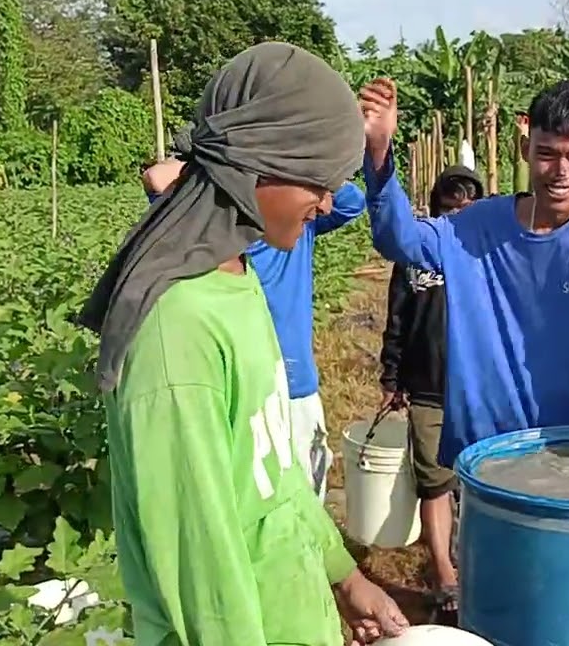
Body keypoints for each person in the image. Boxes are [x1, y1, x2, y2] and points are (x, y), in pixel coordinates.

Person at [77, 43, 407, 646]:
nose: (328, 203)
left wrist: (342, 575)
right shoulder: (177, 330)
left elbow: (275, 473)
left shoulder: (238, 277)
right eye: (318, 181)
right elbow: (200, 561)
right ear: (257, 167)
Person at [357, 78, 569, 480]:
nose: (561, 172)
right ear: (524, 150)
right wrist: (379, 154)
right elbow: (399, 239)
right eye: (547, 154)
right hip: (488, 463)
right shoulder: (473, 229)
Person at [142, 138, 367, 499]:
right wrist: (230, 168)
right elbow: (157, 176)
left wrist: (301, 161)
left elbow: (352, 202)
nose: (321, 205)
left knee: (307, 492)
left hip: (295, 383)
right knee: (258, 493)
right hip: (246, 388)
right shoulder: (215, 232)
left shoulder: (299, 224)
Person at [377, 164, 483, 617]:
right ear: (436, 211)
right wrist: (391, 378)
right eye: (449, 207)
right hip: (426, 387)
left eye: (467, 208)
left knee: (481, 483)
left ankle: (480, 567)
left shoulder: (488, 255)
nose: (457, 215)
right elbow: (397, 320)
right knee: (434, 482)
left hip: (479, 390)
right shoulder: (414, 257)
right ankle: (443, 570)